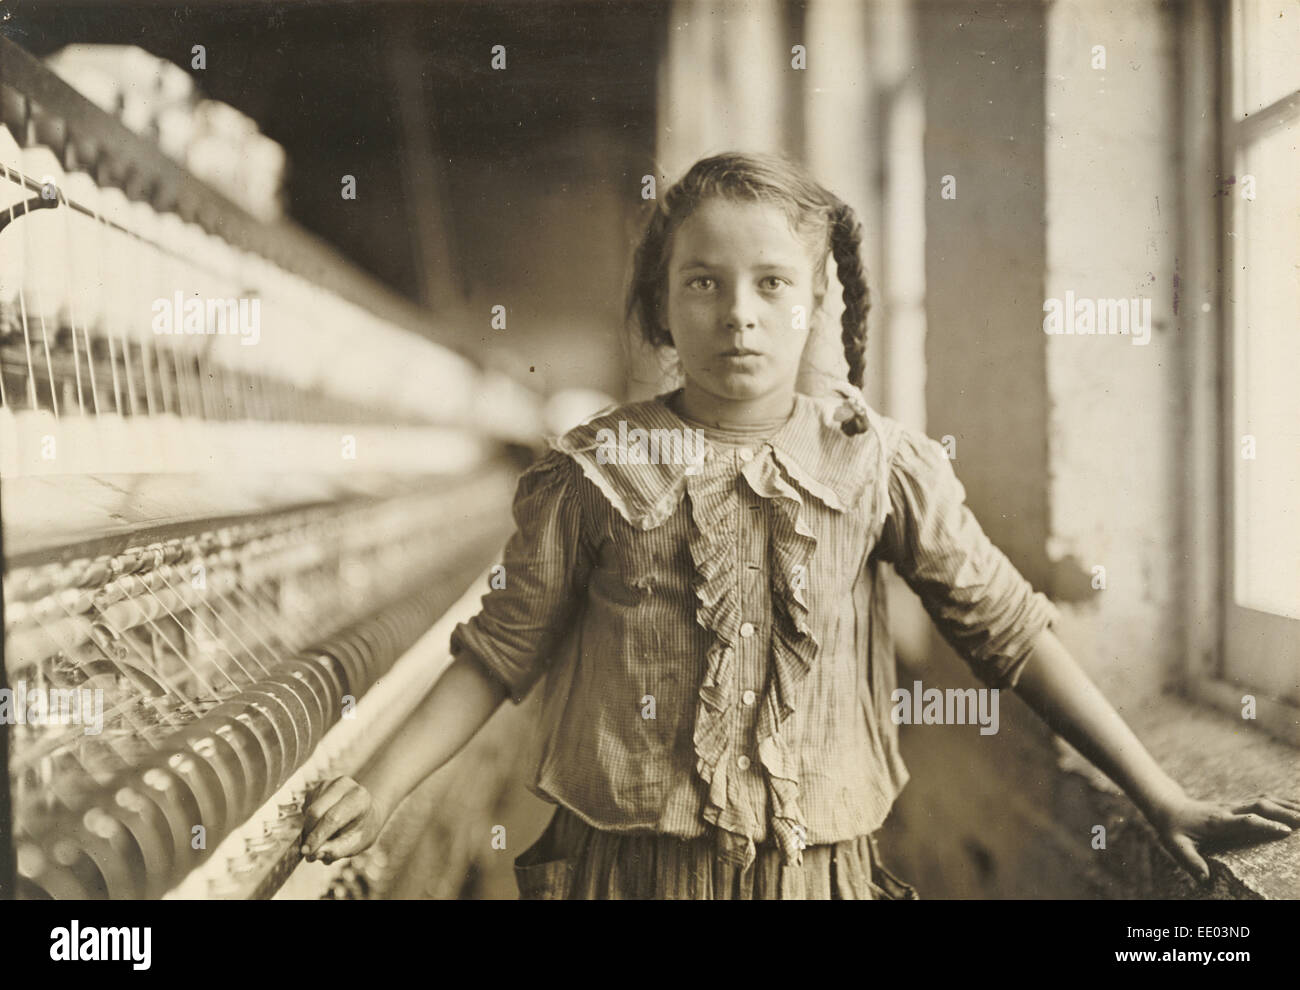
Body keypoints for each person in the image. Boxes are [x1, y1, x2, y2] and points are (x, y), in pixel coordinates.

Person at [301, 151, 1298, 899]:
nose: (738, 312)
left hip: (811, 873)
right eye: (703, 281)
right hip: (627, 871)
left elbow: (1009, 632)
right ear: (659, 301)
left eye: (771, 283)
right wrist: (379, 788)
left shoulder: (881, 464)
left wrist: (1157, 791)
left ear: (819, 300)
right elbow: (498, 650)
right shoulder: (591, 471)